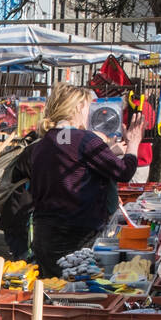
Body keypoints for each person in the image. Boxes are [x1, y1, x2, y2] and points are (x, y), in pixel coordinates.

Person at [21, 83, 144, 277]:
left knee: (50, 293)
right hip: (76, 233)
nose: (90, 113)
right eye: (89, 106)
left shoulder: (43, 143)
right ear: (78, 107)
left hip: (44, 232)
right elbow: (124, 172)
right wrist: (134, 144)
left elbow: (69, 168)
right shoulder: (83, 139)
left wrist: (106, 153)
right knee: (73, 293)